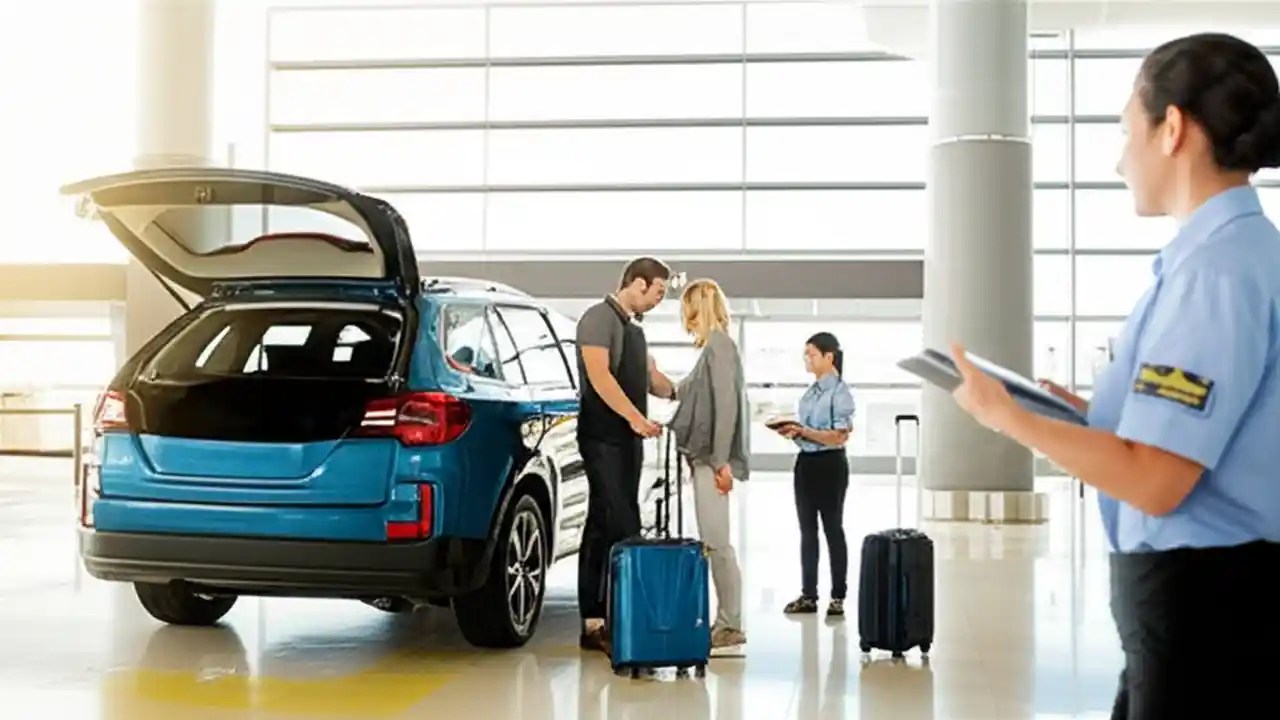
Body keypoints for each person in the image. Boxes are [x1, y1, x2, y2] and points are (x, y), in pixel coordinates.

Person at [947, 32, 1280, 719]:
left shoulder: (1215, 274)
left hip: (1205, 609)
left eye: (1129, 130)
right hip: (1215, 602)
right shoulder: (1231, 257)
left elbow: (1157, 478)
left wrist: (1009, 416)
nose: (1120, 158)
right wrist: (1084, 412)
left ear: (1174, 129)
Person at [575, 257, 678, 654]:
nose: (658, 300)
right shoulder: (598, 319)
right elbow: (599, 376)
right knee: (621, 524)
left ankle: (598, 622)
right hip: (603, 438)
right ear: (637, 283)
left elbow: (650, 379)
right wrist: (635, 418)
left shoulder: (634, 331)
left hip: (627, 442)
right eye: (657, 292)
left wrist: (683, 393)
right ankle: (617, 620)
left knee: (604, 523)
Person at [669, 278, 750, 650]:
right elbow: (685, 390)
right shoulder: (715, 350)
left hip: (711, 461)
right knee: (715, 541)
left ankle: (730, 624)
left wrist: (720, 461)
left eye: (688, 313)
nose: (687, 322)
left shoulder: (719, 347)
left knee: (718, 543)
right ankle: (727, 620)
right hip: (707, 459)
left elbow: (727, 408)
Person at [774, 332, 856, 618]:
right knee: (807, 531)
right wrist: (793, 432)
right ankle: (809, 595)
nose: (806, 359)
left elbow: (838, 437)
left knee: (833, 528)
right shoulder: (811, 393)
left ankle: (838, 596)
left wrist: (805, 431)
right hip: (805, 464)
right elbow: (811, 433)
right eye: (805, 354)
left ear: (828, 356)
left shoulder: (840, 392)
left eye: (811, 354)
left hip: (830, 465)